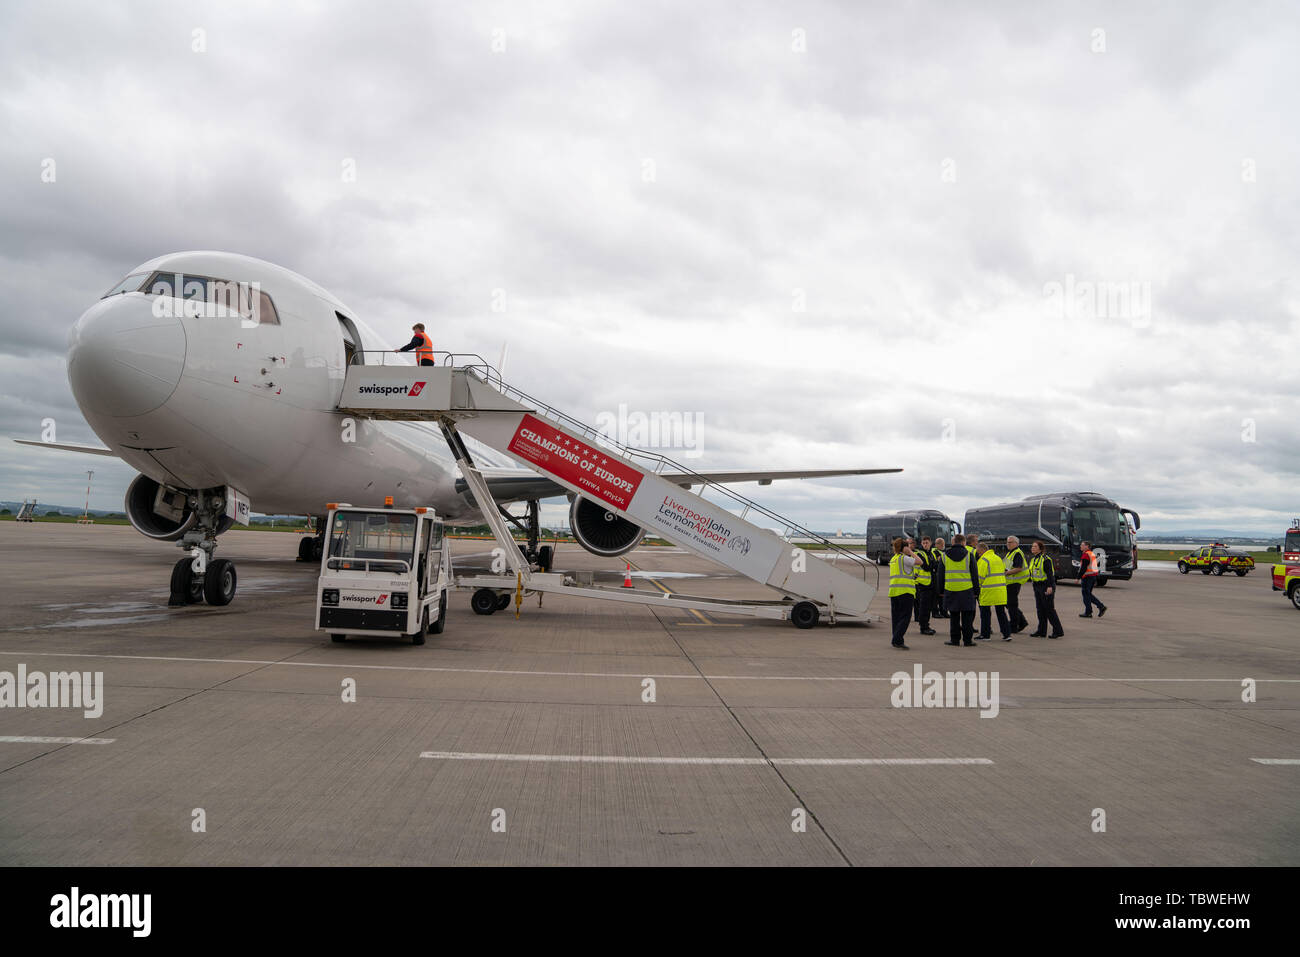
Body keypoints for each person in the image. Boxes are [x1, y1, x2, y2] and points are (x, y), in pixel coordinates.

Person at [941, 534, 980, 646]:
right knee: (967, 617)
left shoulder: (944, 556)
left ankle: (955, 640)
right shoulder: (969, 555)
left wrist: (940, 591)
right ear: (963, 542)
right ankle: (967, 640)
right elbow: (974, 575)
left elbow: (941, 575)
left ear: (953, 542)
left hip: (950, 590)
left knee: (954, 617)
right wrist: (976, 591)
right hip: (967, 590)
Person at [1027, 540, 1065, 638]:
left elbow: (1050, 574)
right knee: (1040, 610)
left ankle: (1058, 630)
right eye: (1032, 546)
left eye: (1035, 546)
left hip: (1045, 586)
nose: (1032, 548)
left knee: (1049, 609)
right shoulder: (1033, 559)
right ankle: (1041, 631)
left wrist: (1050, 587)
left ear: (1040, 548)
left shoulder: (1045, 559)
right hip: (1037, 586)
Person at [976, 541, 1012, 641]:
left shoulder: (983, 560)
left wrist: (977, 588)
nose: (978, 554)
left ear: (982, 550)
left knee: (985, 613)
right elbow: (1004, 571)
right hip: (1000, 589)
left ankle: (985, 635)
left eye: (978, 552)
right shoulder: (998, 558)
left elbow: (980, 577)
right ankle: (1007, 634)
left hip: (988, 590)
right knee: (1001, 613)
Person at [888, 537, 918, 649]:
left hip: (894, 591)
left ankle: (897, 639)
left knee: (896, 617)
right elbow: (920, 562)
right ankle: (897, 639)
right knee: (905, 617)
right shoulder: (904, 558)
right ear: (904, 547)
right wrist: (911, 552)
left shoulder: (893, 559)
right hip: (905, 591)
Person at [1003, 535, 1030, 633]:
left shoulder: (1017, 553)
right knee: (1009, 604)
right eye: (1007, 542)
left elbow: (1018, 568)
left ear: (1016, 543)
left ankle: (1014, 626)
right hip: (1009, 582)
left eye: (1010, 542)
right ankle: (1022, 622)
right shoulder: (1010, 553)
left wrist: (1005, 573)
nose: (1008, 544)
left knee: (1012, 605)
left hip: (1014, 583)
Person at [912, 536, 938, 635]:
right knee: (924, 607)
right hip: (923, 584)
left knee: (929, 607)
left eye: (927, 542)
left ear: (931, 543)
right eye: (923, 543)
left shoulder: (932, 554)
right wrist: (933, 566)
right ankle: (924, 627)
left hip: (932, 584)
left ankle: (926, 625)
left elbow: (936, 565)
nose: (925, 544)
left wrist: (933, 565)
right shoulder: (919, 553)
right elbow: (927, 567)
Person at [1079, 539, 1108, 618]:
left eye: (1082, 545)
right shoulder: (1091, 553)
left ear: (1087, 546)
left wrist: (1078, 577)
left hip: (1087, 577)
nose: (1080, 546)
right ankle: (1096, 608)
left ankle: (1092, 610)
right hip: (1092, 576)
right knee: (1088, 595)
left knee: (1086, 595)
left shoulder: (1086, 555)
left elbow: (1083, 568)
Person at [931, 537, 948, 618]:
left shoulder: (942, 552)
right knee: (936, 596)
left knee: (942, 595)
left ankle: (943, 611)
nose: (943, 546)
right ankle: (935, 612)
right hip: (936, 576)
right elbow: (937, 564)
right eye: (942, 544)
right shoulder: (935, 552)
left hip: (942, 575)